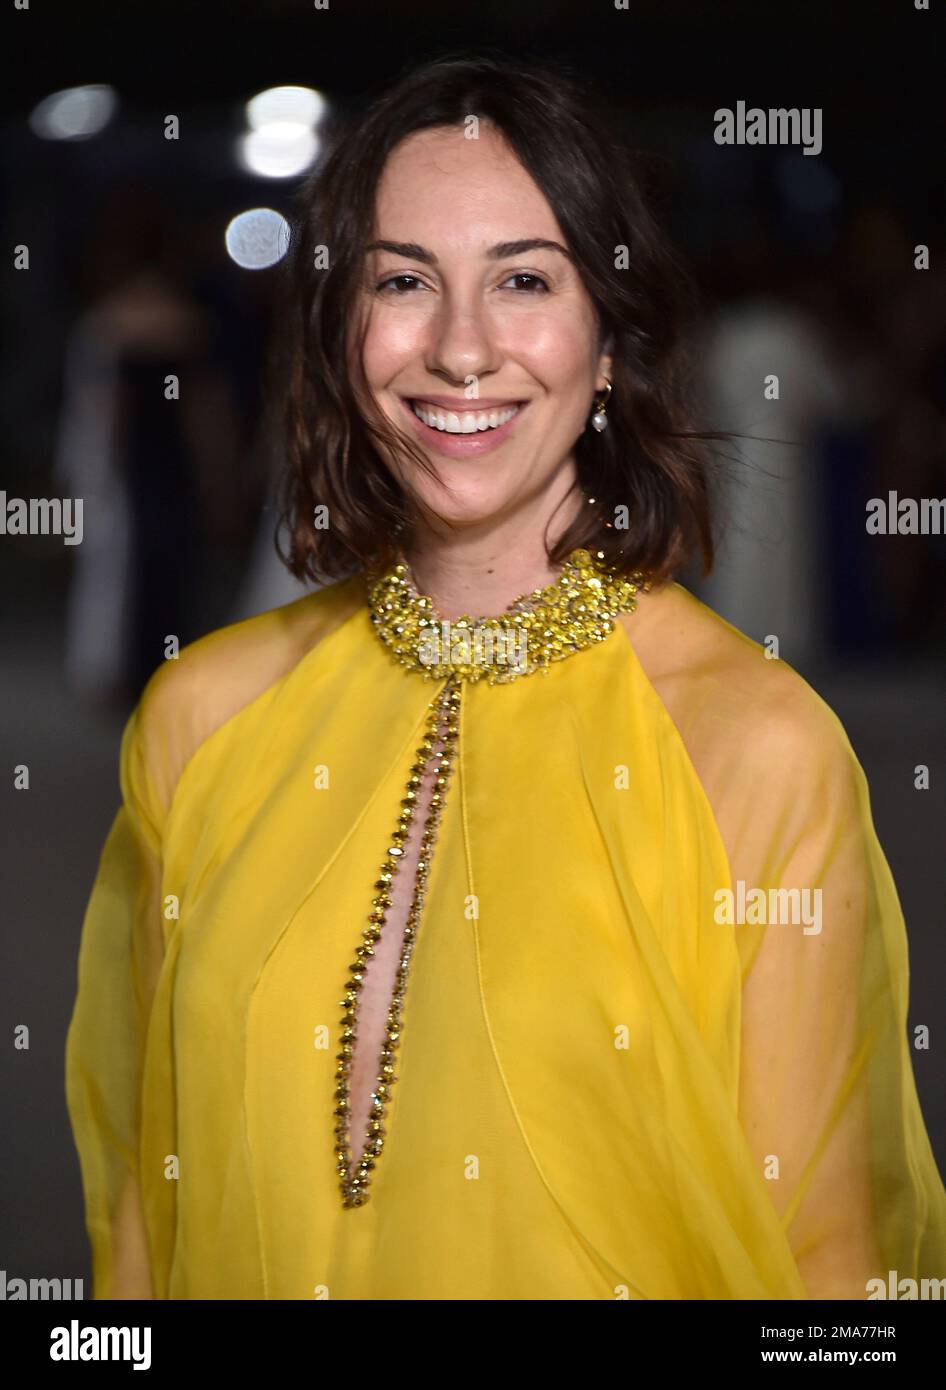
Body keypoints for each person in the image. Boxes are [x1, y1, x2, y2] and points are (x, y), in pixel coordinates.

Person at [65, 53, 946, 1301]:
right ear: (340, 331)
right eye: (404, 282)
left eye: (523, 279)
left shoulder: (753, 747)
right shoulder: (204, 716)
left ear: (606, 345)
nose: (461, 347)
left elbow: (824, 1264)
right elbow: (143, 1240)